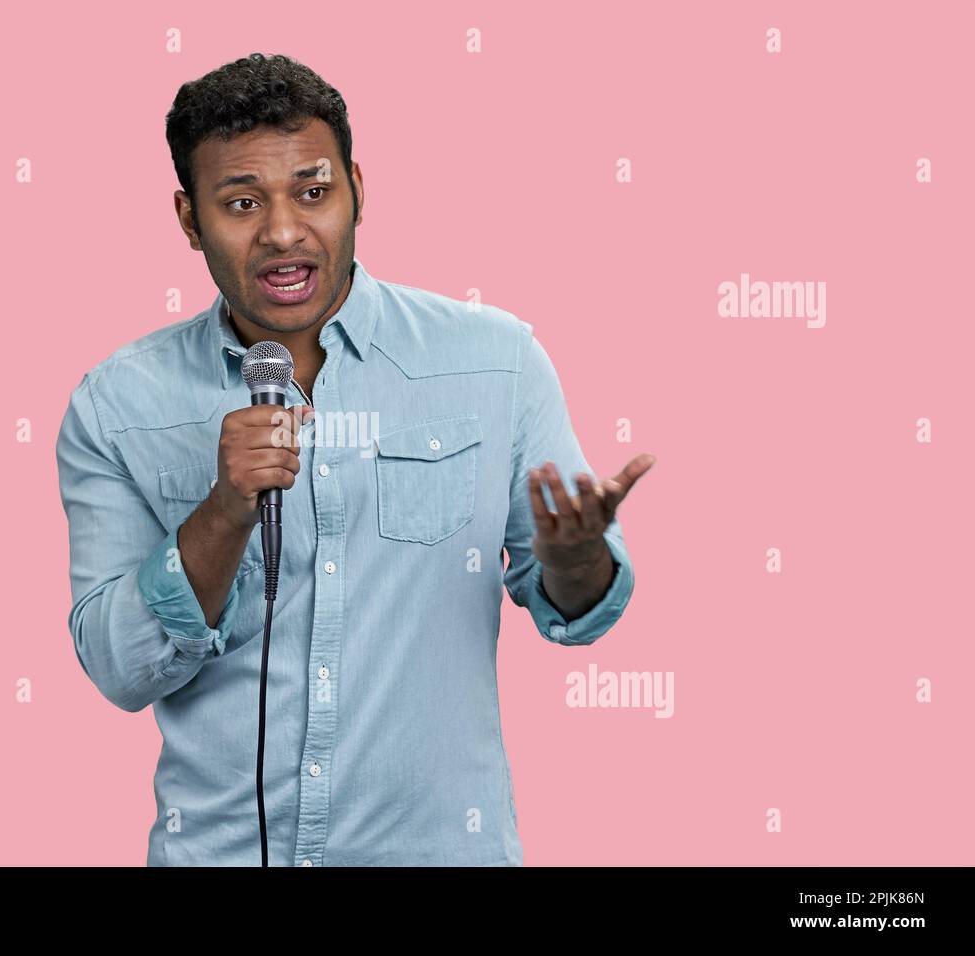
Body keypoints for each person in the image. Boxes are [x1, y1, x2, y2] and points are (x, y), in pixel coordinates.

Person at [55, 52, 655, 866]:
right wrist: (224, 511)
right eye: (240, 202)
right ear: (189, 219)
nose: (282, 232)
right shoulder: (116, 405)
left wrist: (577, 560)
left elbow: (576, 610)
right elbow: (122, 670)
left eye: (312, 190)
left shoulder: (495, 361)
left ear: (358, 189)